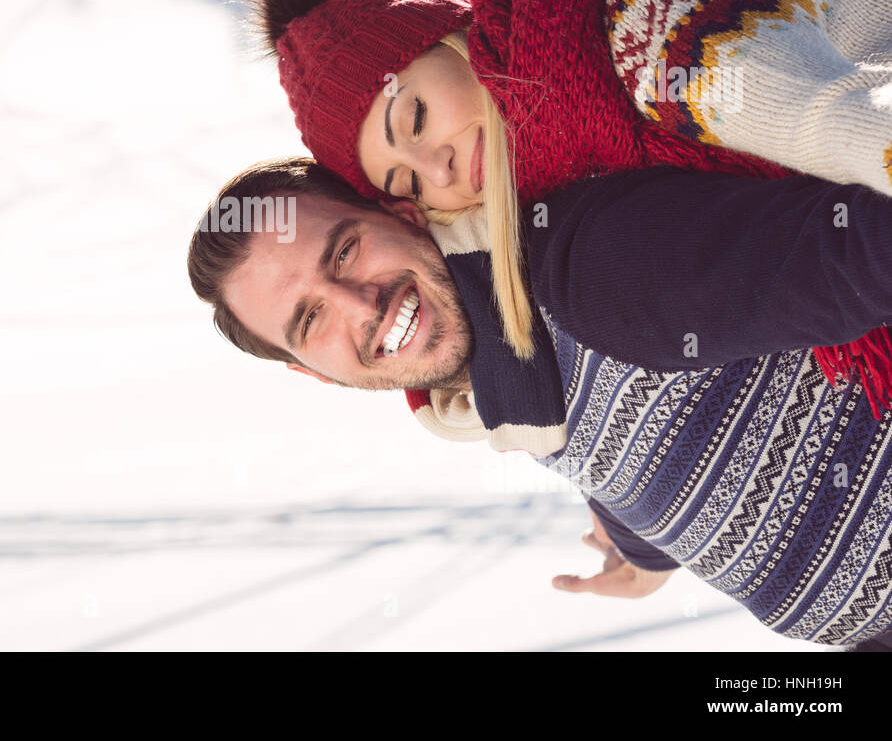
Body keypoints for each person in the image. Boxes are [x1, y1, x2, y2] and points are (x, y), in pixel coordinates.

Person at [186, 156, 892, 648]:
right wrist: (643, 549)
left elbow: (867, 247)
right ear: (315, 373)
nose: (359, 305)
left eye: (343, 252)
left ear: (402, 212)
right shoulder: (497, 389)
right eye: (310, 320)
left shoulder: (584, 274)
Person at [252, 0, 892, 433]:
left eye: (413, 117)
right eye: (408, 185)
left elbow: (840, 124)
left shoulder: (649, 24)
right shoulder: (554, 148)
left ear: (451, 35)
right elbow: (456, 281)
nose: (438, 170)